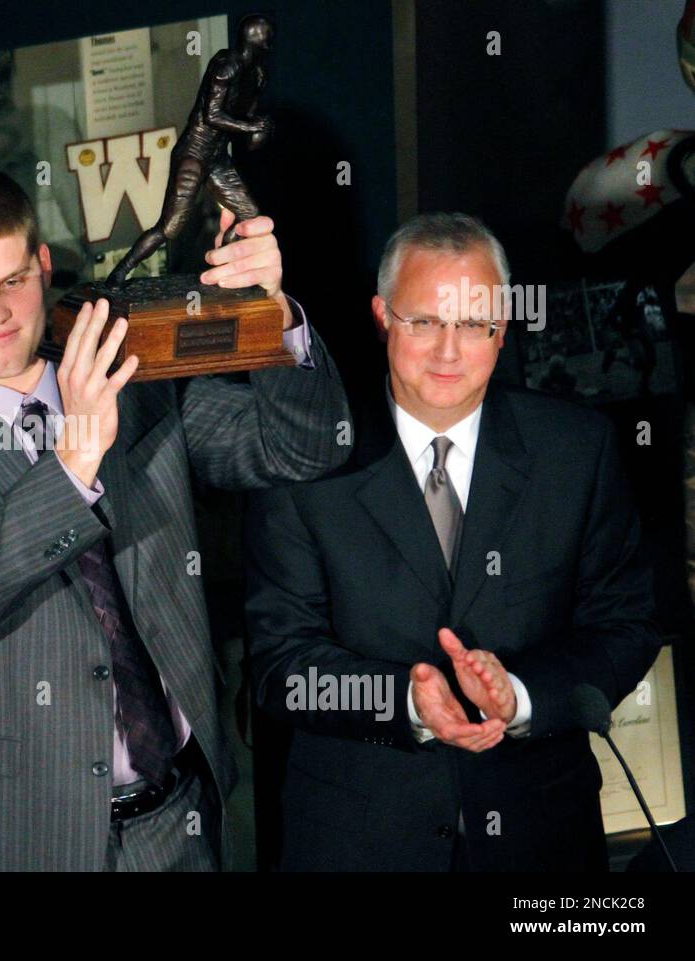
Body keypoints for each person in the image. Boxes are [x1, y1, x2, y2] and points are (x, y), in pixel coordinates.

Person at [0, 166, 349, 871]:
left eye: (14, 280)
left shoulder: (125, 370)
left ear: (43, 264)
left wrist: (273, 314)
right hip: (14, 843)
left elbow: (303, 450)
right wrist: (73, 464)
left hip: (179, 820)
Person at [244, 212, 663, 871]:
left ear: (502, 329)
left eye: (472, 323)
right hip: (359, 844)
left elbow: (628, 624)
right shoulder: (304, 461)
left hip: (540, 841)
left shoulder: (576, 451)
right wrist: (405, 699)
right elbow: (280, 668)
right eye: (424, 321)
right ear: (383, 316)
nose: (448, 351)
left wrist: (521, 695)